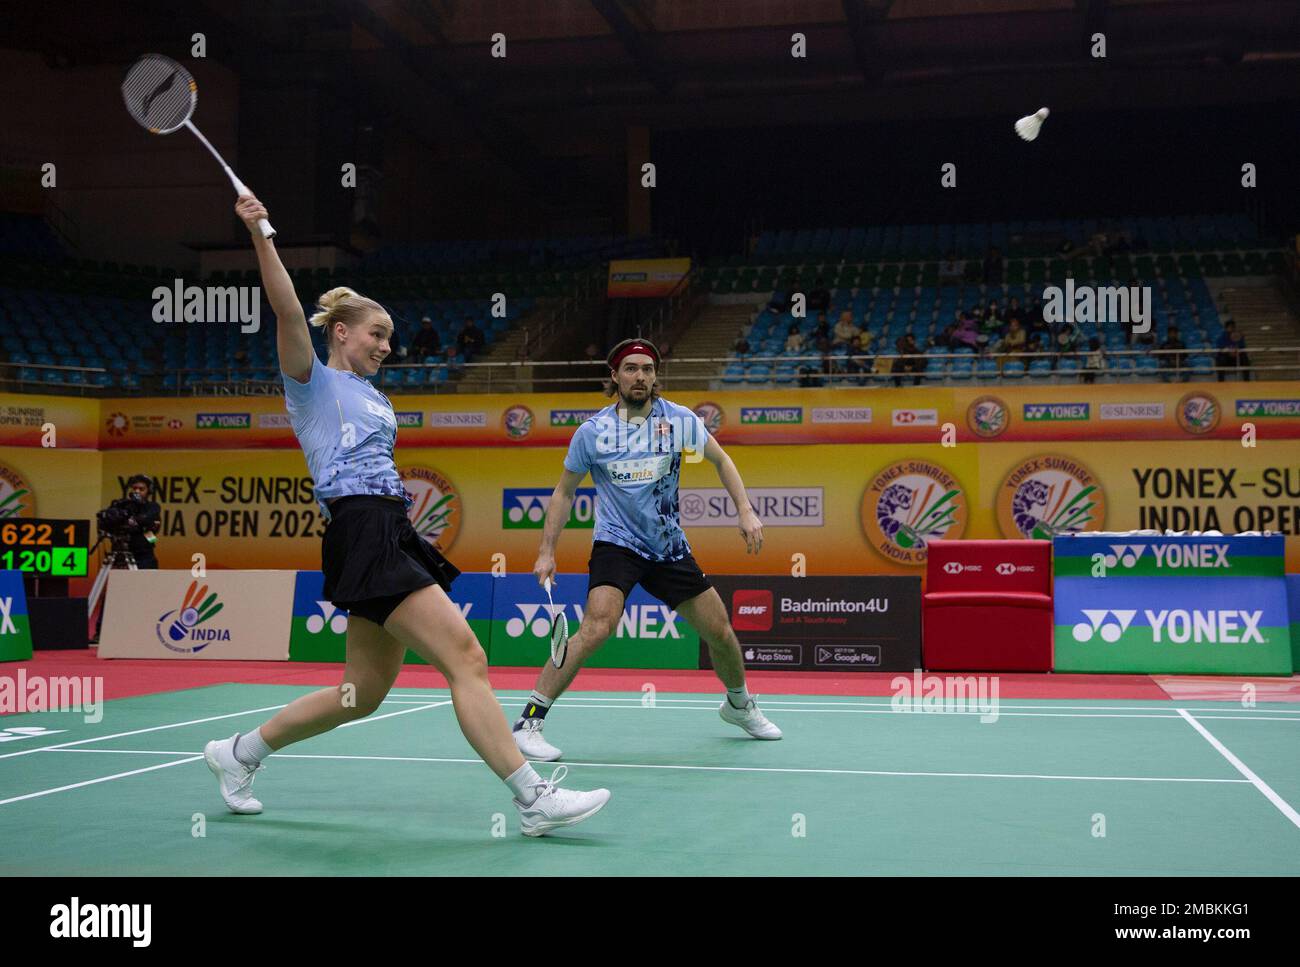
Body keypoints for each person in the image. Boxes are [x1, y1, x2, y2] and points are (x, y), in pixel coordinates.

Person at [204, 192, 610, 836]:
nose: (387, 346)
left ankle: (238, 754)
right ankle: (532, 799)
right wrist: (260, 234)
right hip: (362, 529)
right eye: (376, 334)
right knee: (467, 657)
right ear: (340, 332)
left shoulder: (373, 396)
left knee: (359, 695)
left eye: (389, 338)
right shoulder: (312, 383)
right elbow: (285, 309)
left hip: (389, 527)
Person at [511, 337, 782, 761]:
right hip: (616, 544)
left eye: (648, 369)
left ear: (656, 376)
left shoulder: (680, 420)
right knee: (597, 626)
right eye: (632, 368)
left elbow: (721, 460)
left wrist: (745, 511)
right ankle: (529, 721)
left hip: (669, 547)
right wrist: (547, 550)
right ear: (614, 376)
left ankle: (738, 705)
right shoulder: (593, 433)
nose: (641, 376)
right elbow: (564, 493)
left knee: (721, 631)